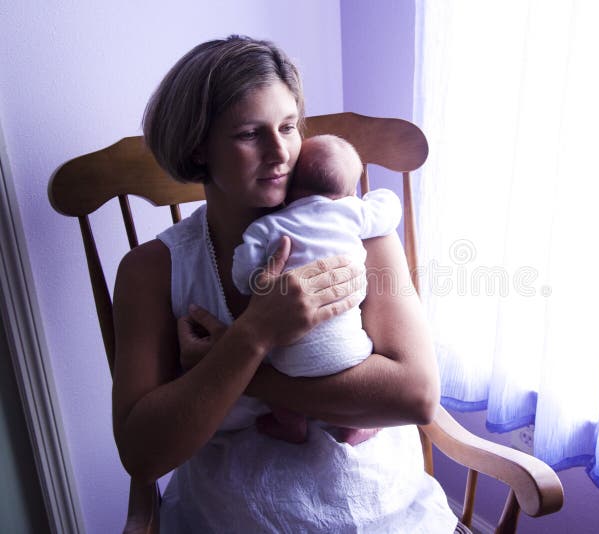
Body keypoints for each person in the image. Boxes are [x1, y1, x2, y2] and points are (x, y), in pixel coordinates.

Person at [111, 35, 458, 532]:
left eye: (289, 127)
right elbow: (144, 456)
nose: (281, 153)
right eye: (250, 133)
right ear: (197, 147)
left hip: (381, 511)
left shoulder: (354, 231)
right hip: (232, 518)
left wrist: (228, 365)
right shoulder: (153, 270)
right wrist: (256, 332)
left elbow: (417, 395)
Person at [229, 134, 402, 445]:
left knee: (276, 377)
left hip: (288, 364)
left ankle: (291, 423)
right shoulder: (351, 212)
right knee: (367, 353)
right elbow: (388, 211)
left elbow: (243, 272)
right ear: (348, 192)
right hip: (350, 353)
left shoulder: (270, 226)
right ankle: (358, 425)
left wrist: (254, 281)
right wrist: (374, 198)